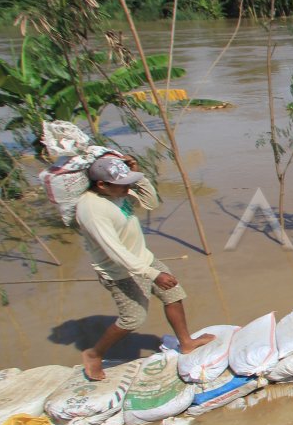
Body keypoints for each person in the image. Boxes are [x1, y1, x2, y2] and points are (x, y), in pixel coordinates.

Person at [74, 154, 214, 380]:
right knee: (133, 319)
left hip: (143, 258)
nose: (126, 188)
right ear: (101, 184)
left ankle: (186, 342)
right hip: (119, 271)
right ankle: (94, 354)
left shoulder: (117, 192)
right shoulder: (91, 209)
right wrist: (153, 274)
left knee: (173, 294)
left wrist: (138, 178)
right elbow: (114, 251)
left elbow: (151, 203)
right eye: (122, 184)